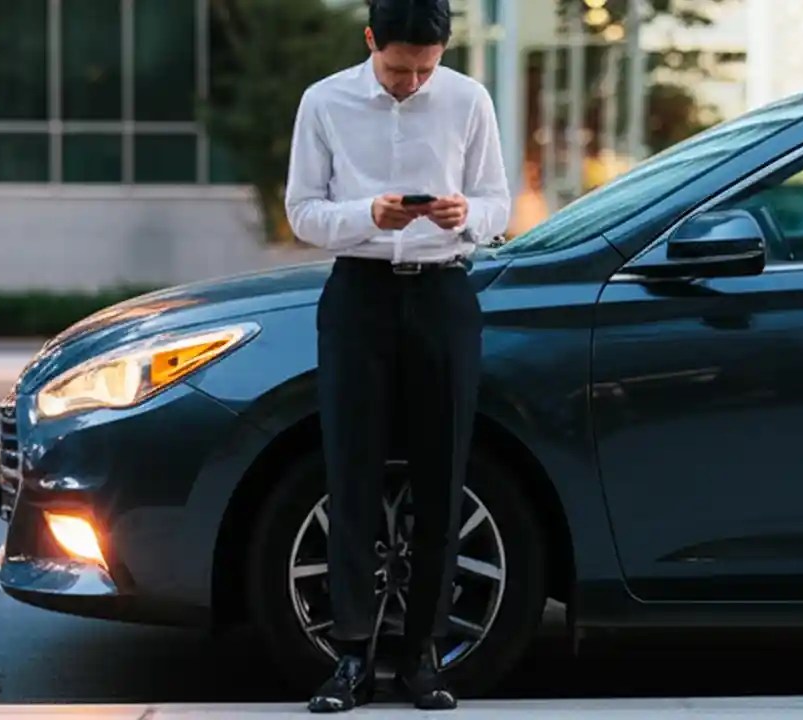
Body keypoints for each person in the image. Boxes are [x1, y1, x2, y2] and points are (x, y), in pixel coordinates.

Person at [283, 0, 511, 712]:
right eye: (396, 67)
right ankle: (351, 658)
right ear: (370, 41)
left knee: (442, 478)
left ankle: (423, 660)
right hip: (359, 296)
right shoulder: (323, 101)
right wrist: (367, 217)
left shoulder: (469, 100)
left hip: (444, 297)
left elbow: (500, 204)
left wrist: (463, 214)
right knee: (351, 474)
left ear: (442, 51)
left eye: (424, 68)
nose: (411, 82)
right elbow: (302, 211)